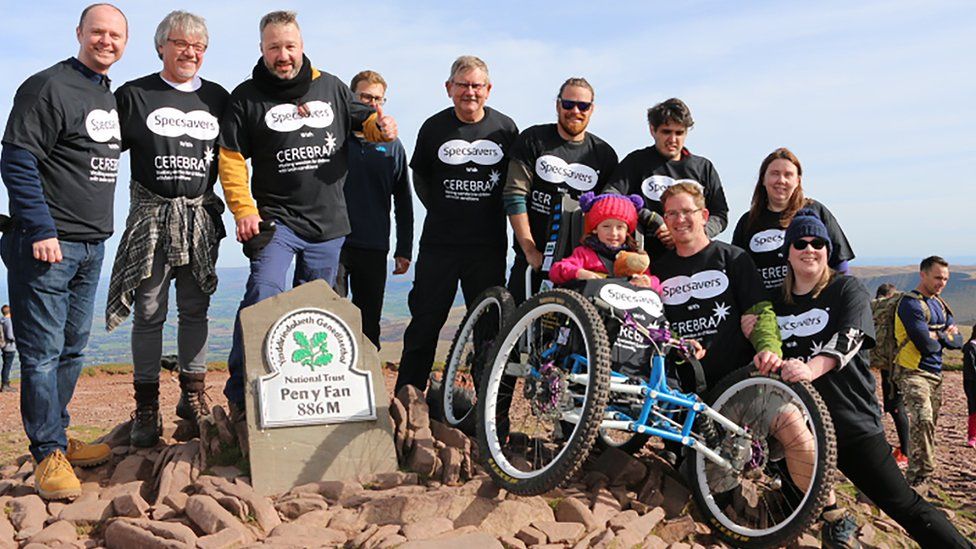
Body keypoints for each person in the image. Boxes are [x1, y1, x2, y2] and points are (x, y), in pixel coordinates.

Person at [218, 10, 397, 423]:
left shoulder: (330, 86)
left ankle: (302, 396)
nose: (283, 55)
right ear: (262, 50)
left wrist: (382, 128)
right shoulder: (245, 97)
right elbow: (230, 159)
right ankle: (240, 393)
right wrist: (244, 210)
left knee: (316, 315)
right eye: (274, 47)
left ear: (301, 46)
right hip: (277, 221)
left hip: (328, 225)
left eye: (289, 46)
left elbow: (364, 121)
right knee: (263, 294)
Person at [760, 213, 971, 549]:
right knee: (781, 511)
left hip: (852, 423)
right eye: (800, 243)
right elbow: (762, 337)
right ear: (788, 251)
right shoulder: (774, 301)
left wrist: (811, 369)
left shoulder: (846, 288)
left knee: (902, 505)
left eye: (818, 243)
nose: (809, 249)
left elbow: (852, 335)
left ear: (828, 250)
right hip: (801, 433)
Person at [0, 3, 127, 500]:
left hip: (92, 245)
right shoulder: (47, 86)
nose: (106, 41)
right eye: (98, 32)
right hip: (47, 246)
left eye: (116, 35)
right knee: (41, 356)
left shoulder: (105, 94)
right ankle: (47, 454)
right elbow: (17, 158)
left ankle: (58, 436)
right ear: (80, 33)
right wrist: (40, 228)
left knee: (73, 349)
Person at [105, 10, 229, 447]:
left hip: (199, 219)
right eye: (181, 43)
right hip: (150, 220)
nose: (190, 52)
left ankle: (192, 398)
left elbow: (238, 154)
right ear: (161, 47)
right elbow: (96, 151)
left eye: (198, 46)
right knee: (149, 313)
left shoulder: (219, 98)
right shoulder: (134, 95)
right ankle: (146, 407)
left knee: (195, 310)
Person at [394, 56, 517, 393]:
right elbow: (421, 178)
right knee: (425, 323)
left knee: (488, 331)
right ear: (449, 88)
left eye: (477, 85)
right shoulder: (433, 128)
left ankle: (487, 412)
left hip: (488, 247)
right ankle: (408, 398)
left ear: (488, 90)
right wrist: (443, 209)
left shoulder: (505, 129)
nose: (469, 92)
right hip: (439, 245)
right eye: (462, 85)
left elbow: (513, 183)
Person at [652, 182, 781, 392]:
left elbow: (761, 313)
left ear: (704, 215)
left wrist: (768, 349)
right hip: (683, 392)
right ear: (665, 220)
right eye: (672, 214)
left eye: (686, 211)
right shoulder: (658, 270)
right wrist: (679, 345)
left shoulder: (734, 258)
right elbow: (656, 327)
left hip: (738, 386)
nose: (679, 219)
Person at [503, 77, 618, 304]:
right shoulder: (532, 139)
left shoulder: (605, 154)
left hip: (580, 263)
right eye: (568, 104)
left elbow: (607, 212)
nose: (575, 111)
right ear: (558, 105)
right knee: (515, 329)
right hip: (532, 259)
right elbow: (514, 194)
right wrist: (530, 250)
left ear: (591, 109)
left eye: (583, 106)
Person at [335, 70, 413, 350]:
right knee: (331, 319)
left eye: (378, 99)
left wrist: (404, 249)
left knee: (369, 324)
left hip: (374, 245)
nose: (371, 104)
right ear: (351, 97)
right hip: (334, 242)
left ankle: (369, 388)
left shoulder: (393, 146)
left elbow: (403, 199)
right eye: (365, 97)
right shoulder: (334, 138)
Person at [606, 98, 729, 259]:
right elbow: (610, 196)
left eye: (679, 133)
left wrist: (693, 233)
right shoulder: (637, 162)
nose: (673, 139)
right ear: (652, 130)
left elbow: (720, 214)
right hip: (647, 258)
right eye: (666, 131)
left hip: (695, 258)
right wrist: (651, 219)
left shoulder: (703, 168)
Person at [731, 147, 854, 293]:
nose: (781, 180)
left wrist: (840, 297)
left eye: (788, 174)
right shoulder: (748, 222)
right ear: (763, 179)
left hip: (813, 307)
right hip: (768, 310)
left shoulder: (816, 212)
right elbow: (738, 273)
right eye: (774, 174)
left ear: (797, 181)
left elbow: (840, 263)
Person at [893, 255, 961, 489]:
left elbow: (958, 341)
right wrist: (943, 334)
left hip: (936, 374)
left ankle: (918, 474)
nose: (941, 283)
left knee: (928, 423)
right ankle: (920, 473)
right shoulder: (910, 304)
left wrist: (937, 335)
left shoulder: (941, 305)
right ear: (923, 275)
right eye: (937, 278)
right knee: (922, 420)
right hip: (913, 372)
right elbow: (926, 344)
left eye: (945, 279)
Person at [549, 192, 659, 291]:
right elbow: (556, 271)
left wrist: (647, 281)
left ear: (627, 232)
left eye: (620, 227)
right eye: (606, 226)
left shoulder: (634, 258)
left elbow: (656, 283)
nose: (613, 233)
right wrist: (579, 273)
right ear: (595, 229)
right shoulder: (584, 253)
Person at [870, 283, 910, 466]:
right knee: (896, 407)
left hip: (883, 363)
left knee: (894, 407)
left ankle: (905, 451)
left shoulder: (872, 307)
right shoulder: (897, 307)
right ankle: (905, 451)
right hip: (899, 362)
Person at [963, 323, 976, 448]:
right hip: (973, 383)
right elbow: (971, 368)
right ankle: (973, 436)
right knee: (974, 410)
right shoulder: (971, 347)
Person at [0, 305, 15, 392]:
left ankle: (5, 383)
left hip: (3, 346)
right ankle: (5, 385)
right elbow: (10, 335)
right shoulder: (8, 321)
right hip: (9, 347)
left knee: (5, 365)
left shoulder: (2, 320)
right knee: (7, 366)